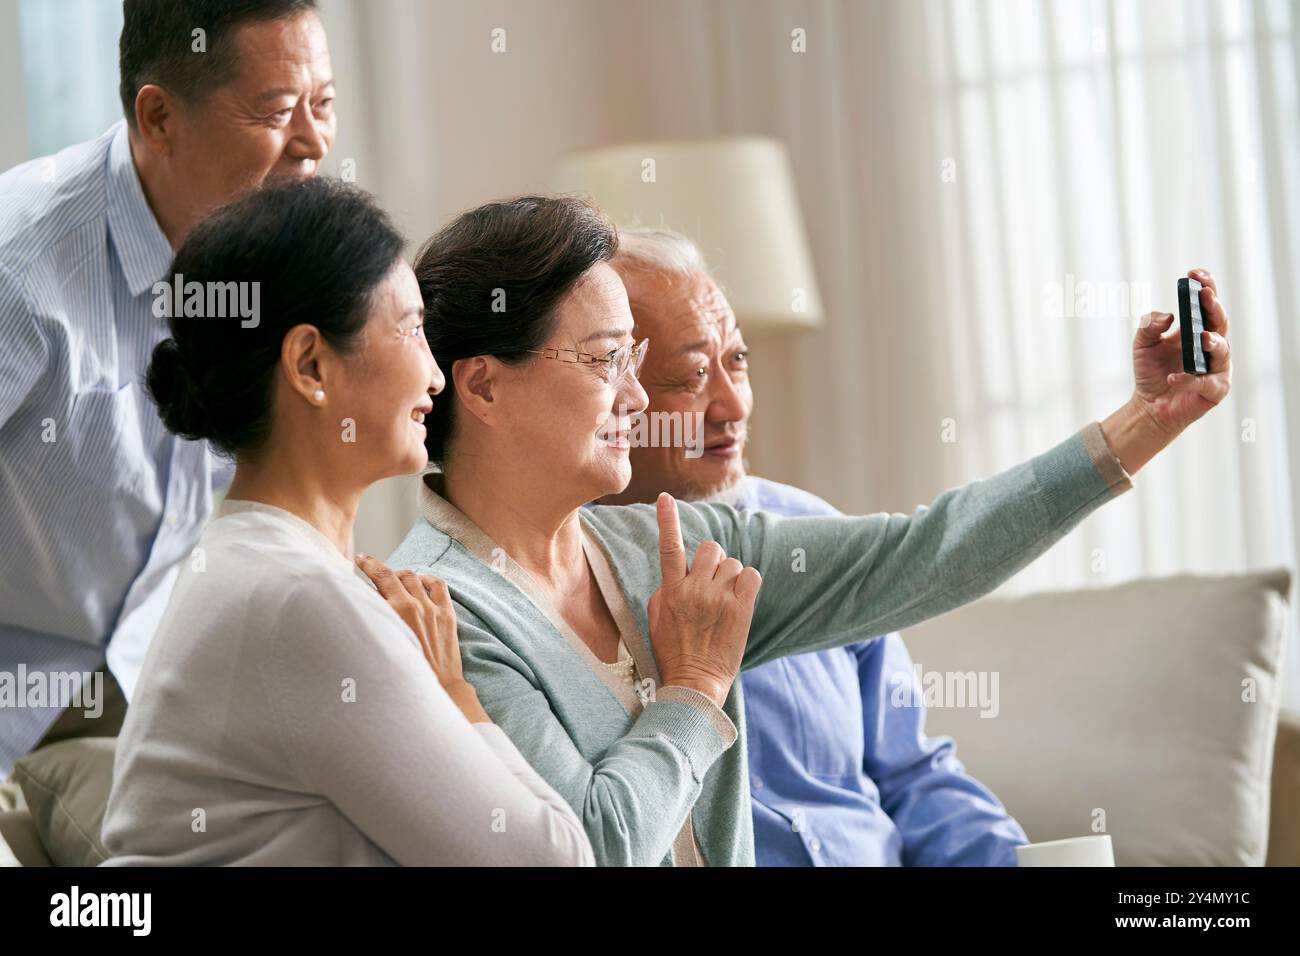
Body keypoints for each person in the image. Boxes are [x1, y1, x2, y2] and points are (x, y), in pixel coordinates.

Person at [388, 194, 1231, 866]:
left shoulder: (668, 547)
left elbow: (927, 552)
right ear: (485, 388)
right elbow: (594, 848)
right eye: (609, 360)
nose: (637, 400)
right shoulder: (439, 615)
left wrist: (1143, 425)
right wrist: (693, 689)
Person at [101, 177, 593, 866]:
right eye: (412, 329)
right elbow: (552, 860)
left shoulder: (260, 567)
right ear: (310, 365)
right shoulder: (297, 598)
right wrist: (456, 695)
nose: (436, 376)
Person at [601, 227, 1027, 866]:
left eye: (737, 360)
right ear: (617, 393)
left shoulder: (807, 528)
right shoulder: (567, 574)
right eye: (691, 375)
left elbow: (911, 774)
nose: (732, 404)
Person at [0, 0, 337, 774]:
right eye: (279, 111)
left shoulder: (273, 256)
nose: (314, 143)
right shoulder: (18, 269)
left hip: (164, 681)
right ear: (158, 117)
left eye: (323, 103)